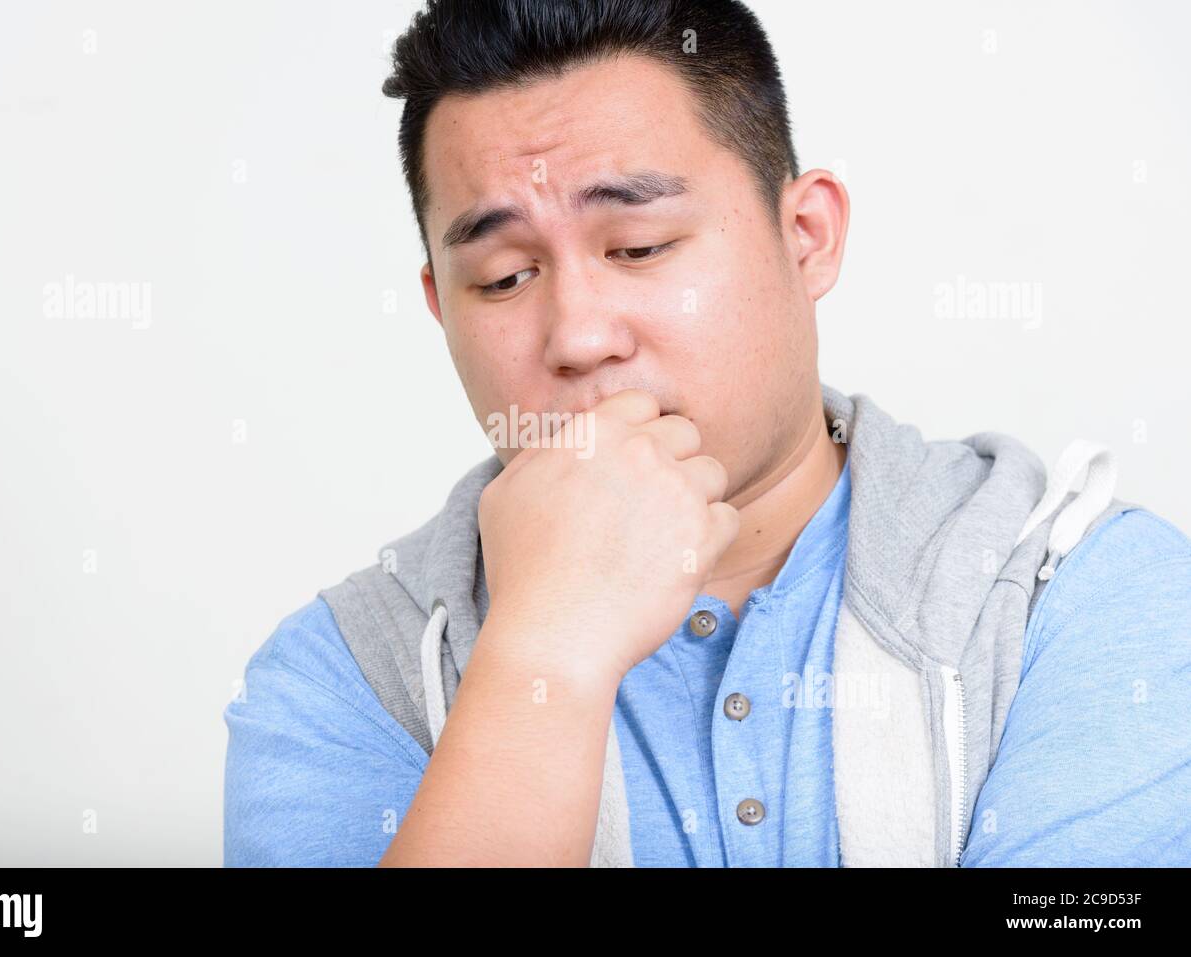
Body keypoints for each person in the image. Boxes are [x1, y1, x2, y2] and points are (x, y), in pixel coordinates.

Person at [222, 0, 1191, 867]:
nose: (579, 336)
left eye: (637, 248)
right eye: (506, 277)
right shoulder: (345, 683)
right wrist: (542, 655)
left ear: (805, 235)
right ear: (440, 307)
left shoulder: (1072, 603)